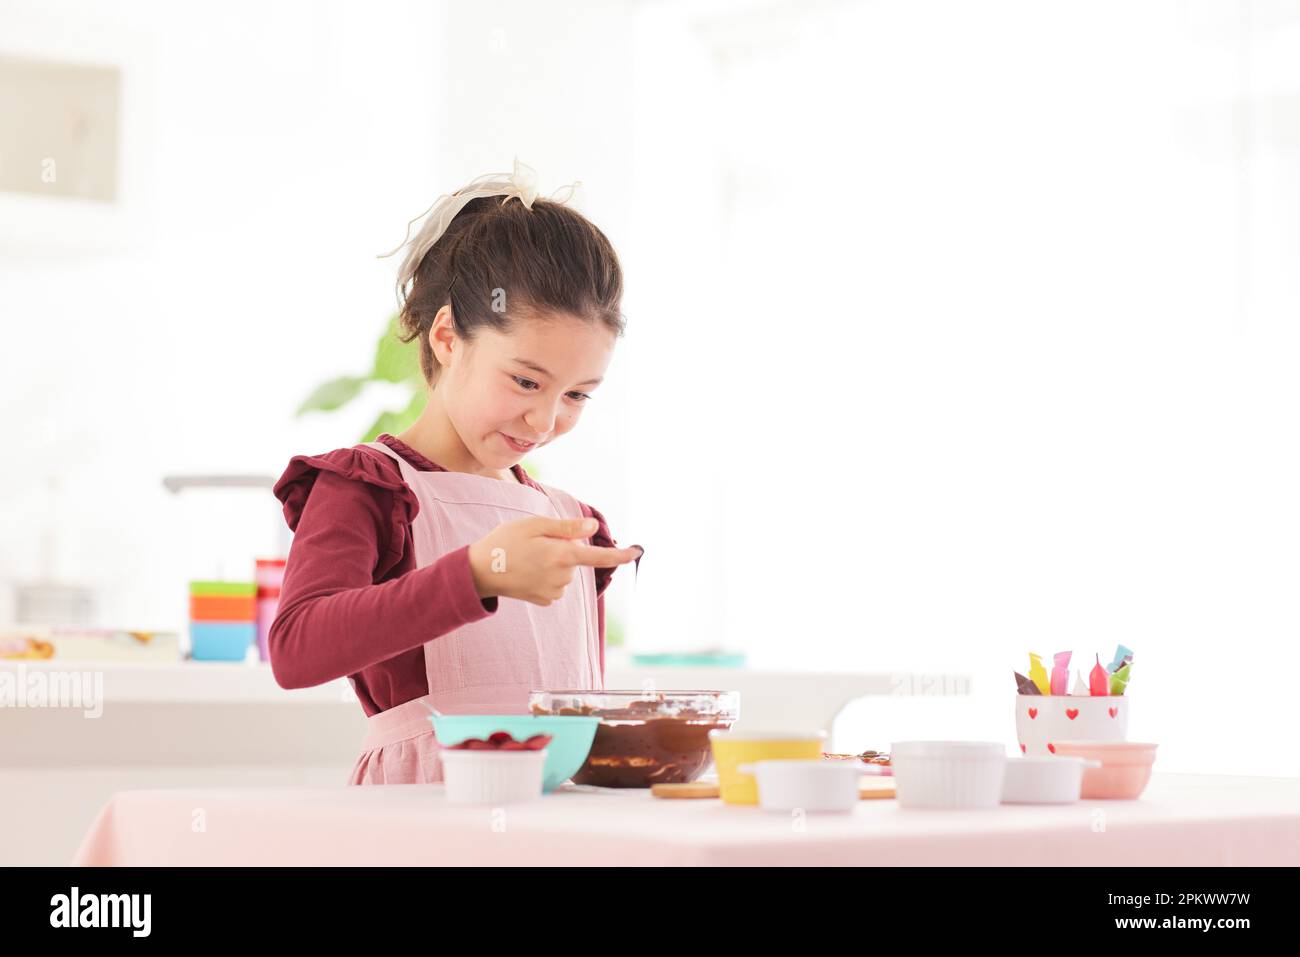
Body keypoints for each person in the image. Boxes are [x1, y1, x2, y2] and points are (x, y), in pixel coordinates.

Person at [269, 162, 642, 784]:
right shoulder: (370, 488)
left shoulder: (567, 523)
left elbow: (573, 709)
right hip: (418, 823)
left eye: (578, 395)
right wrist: (476, 572)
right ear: (447, 336)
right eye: (526, 380)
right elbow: (296, 650)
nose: (545, 418)